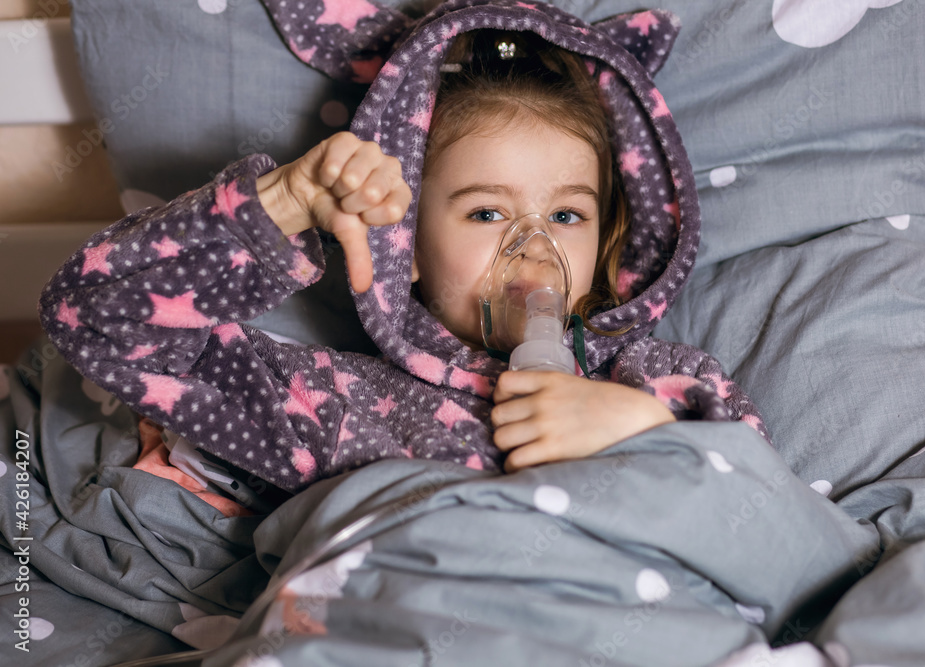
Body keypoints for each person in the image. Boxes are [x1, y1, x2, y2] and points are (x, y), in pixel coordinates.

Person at [39, 1, 768, 496]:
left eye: (568, 214)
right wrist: (280, 205)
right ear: (405, 245)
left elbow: (768, 517)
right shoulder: (337, 403)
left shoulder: (671, 388)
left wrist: (644, 431)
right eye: (487, 210)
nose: (535, 249)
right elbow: (93, 321)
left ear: (612, 233)